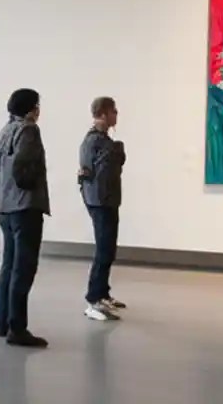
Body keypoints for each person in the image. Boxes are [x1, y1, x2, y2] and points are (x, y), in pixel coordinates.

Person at [0, 88, 50, 349]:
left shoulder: (2, 133)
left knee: (8, 266)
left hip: (6, 209)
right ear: (32, 108)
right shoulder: (29, 130)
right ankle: (18, 328)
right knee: (23, 268)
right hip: (26, 207)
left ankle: (3, 322)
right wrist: (27, 181)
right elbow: (24, 167)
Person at [80, 97, 127, 322]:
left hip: (109, 201)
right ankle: (93, 299)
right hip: (100, 202)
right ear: (104, 113)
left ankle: (103, 292)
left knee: (108, 249)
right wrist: (92, 202)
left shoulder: (105, 140)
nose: (116, 115)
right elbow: (85, 174)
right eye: (114, 111)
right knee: (103, 250)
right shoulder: (92, 142)